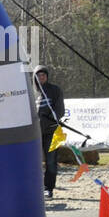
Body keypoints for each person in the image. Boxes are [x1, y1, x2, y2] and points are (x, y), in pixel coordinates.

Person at [34, 66, 64, 198]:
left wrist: (52, 119)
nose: (41, 77)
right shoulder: (30, 92)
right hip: (34, 133)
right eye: (38, 75)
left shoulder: (55, 90)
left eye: (43, 75)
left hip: (51, 131)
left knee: (51, 161)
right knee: (34, 161)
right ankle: (35, 188)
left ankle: (48, 188)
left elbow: (60, 110)